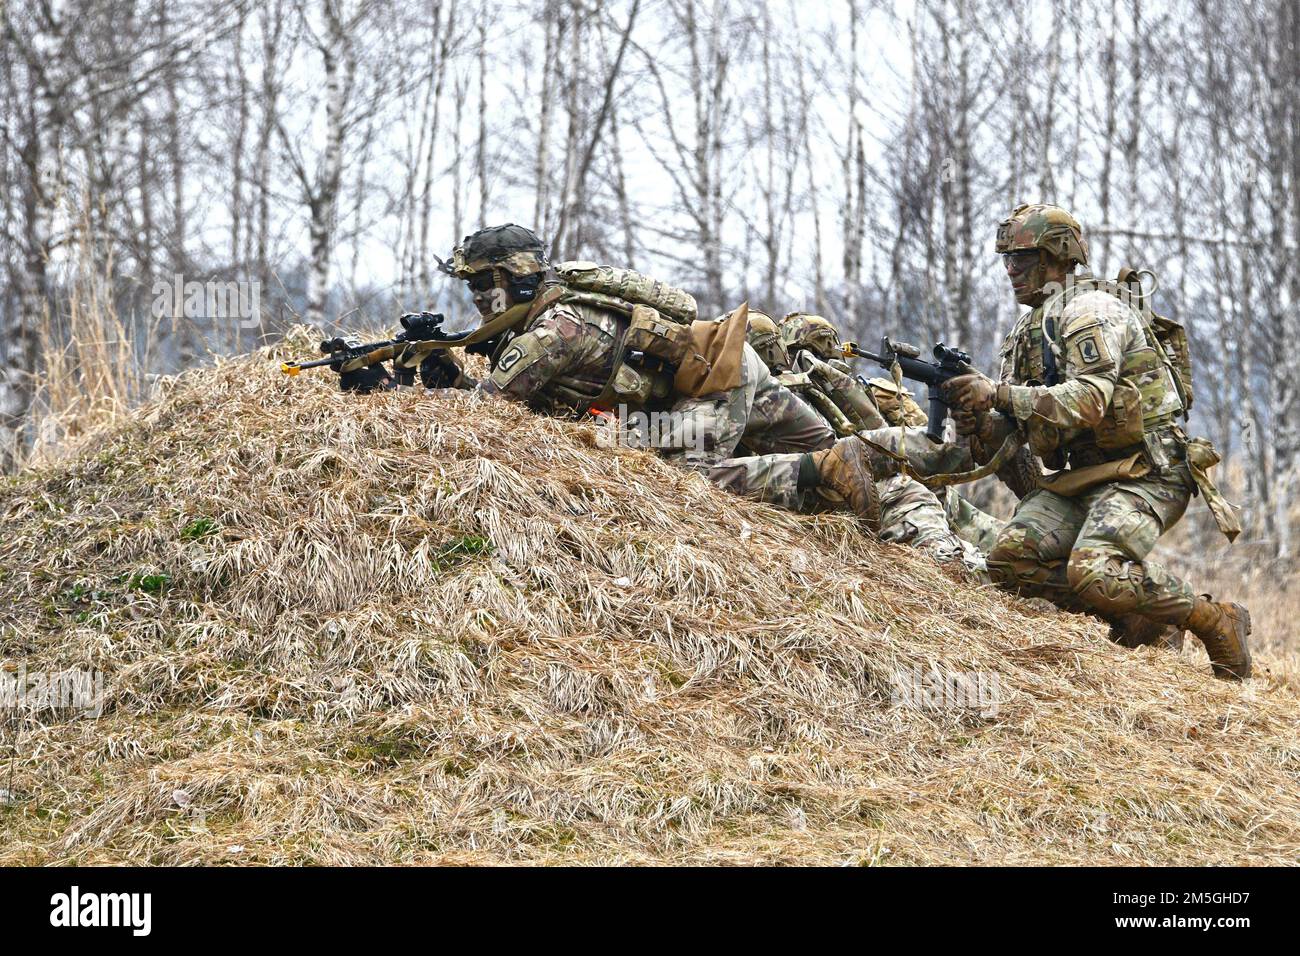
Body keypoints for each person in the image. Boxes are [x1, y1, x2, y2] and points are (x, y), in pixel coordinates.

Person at [342, 223, 900, 527]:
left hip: (714, 385)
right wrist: (452, 377)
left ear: (512, 279)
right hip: (727, 363)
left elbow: (485, 423)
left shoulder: (547, 334)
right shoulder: (565, 302)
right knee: (852, 469)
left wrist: (392, 394)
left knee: (692, 483)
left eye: (481, 284)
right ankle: (878, 481)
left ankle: (821, 469)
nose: (477, 298)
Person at [940, 203, 1250, 679]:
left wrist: (997, 394)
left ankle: (1215, 620)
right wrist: (979, 419)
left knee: (1094, 571)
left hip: (1149, 473)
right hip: (1084, 478)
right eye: (1005, 259)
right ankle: (1135, 614)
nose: (1009, 269)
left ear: (1056, 257)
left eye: (1020, 258)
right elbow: (1017, 427)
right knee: (1010, 561)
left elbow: (1089, 401)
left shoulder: (1091, 312)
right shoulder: (1027, 331)